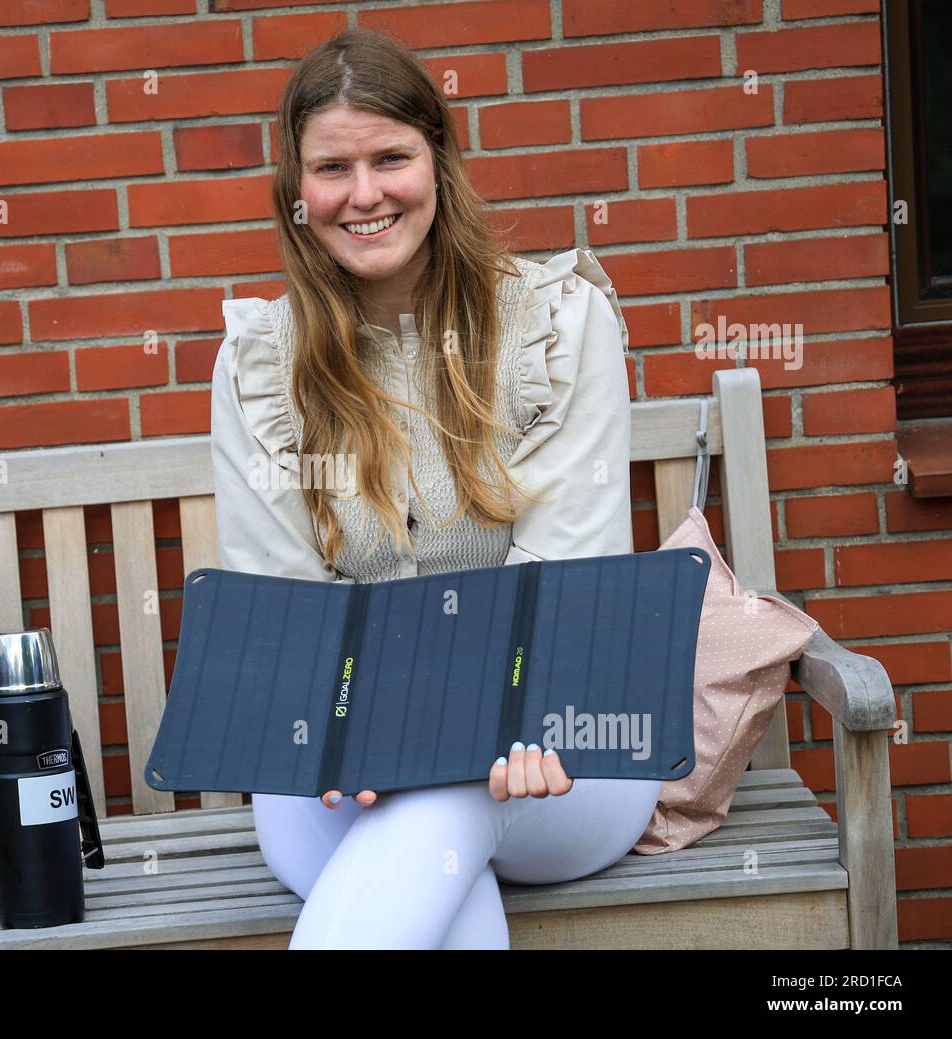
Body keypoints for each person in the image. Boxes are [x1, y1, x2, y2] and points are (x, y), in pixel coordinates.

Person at [208, 28, 662, 949]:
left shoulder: (560, 324)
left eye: (391, 158)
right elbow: (283, 613)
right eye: (332, 167)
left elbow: (562, 592)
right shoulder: (260, 363)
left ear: (440, 161)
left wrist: (427, 731)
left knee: (441, 792)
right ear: (297, 193)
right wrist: (352, 734)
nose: (364, 194)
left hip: (562, 753)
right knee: (443, 867)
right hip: (334, 770)